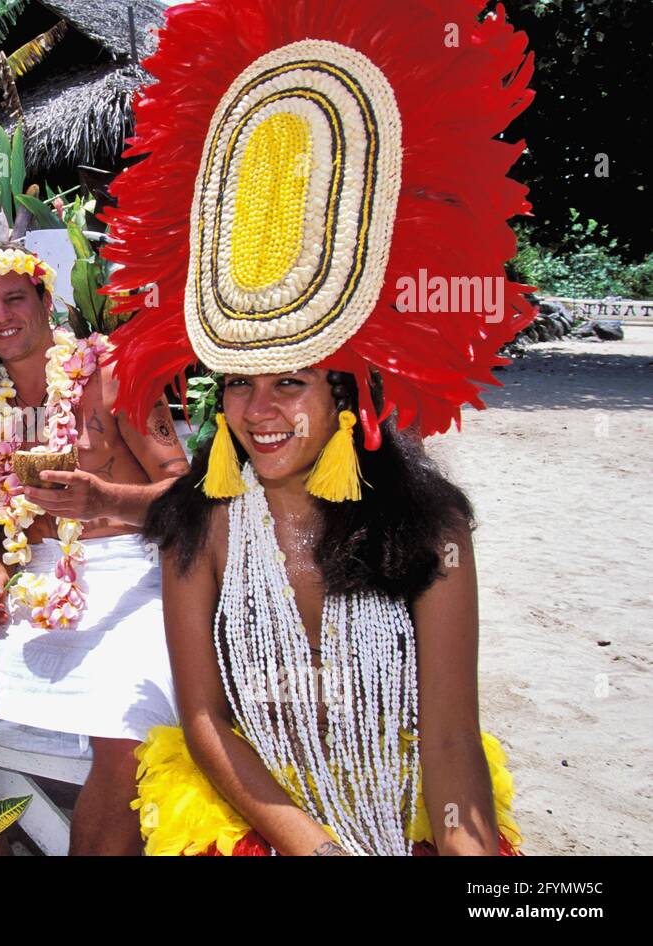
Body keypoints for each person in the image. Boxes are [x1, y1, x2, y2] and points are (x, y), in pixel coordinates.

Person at [100, 0, 536, 855]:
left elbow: (449, 740)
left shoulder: (431, 528)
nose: (258, 412)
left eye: (290, 382)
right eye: (237, 384)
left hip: (404, 805)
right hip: (261, 819)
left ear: (344, 393)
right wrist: (313, 846)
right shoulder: (200, 523)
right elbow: (205, 718)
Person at [0, 243, 190, 855]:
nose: (1, 314)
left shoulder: (112, 371)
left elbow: (188, 495)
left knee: (125, 727)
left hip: (133, 575)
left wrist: (105, 501)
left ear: (45, 300)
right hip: (35, 588)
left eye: (14, 298)